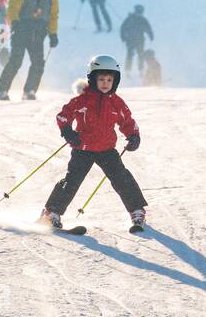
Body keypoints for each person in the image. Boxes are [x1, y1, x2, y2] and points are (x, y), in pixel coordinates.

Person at [39, 55, 147, 232]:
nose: (105, 83)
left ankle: (137, 210)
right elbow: (63, 116)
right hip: (83, 148)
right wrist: (68, 132)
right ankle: (51, 213)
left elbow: (127, 121)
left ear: (115, 80)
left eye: (109, 79)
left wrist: (133, 136)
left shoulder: (116, 103)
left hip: (107, 149)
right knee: (72, 181)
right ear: (92, 79)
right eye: (101, 79)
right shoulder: (81, 100)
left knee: (122, 179)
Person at [0, 0, 59, 100]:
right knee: (16, 60)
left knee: (38, 63)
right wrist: (15, 23)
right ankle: (0, 91)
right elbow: (12, 8)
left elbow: (53, 16)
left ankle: (29, 91)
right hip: (22, 30)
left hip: (39, 33)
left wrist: (53, 34)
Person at [120, 4, 154, 75]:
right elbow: (148, 28)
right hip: (139, 40)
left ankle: (129, 70)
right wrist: (151, 36)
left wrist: (123, 37)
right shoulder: (142, 19)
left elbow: (122, 28)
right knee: (139, 55)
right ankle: (139, 70)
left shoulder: (129, 18)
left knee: (130, 55)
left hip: (131, 40)